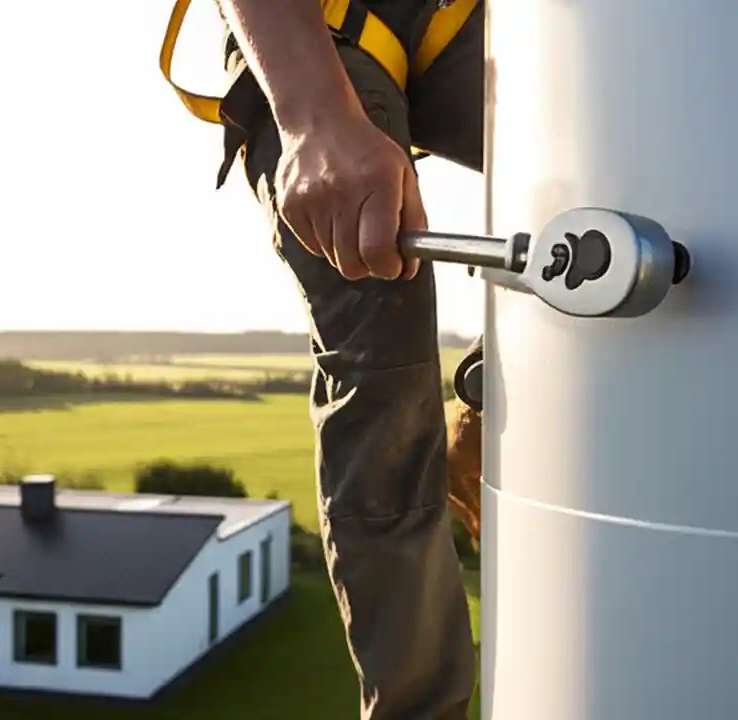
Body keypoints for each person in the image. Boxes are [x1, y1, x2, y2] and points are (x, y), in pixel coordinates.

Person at [184, 1, 486, 717]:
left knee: (675, 177)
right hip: (321, 29)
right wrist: (314, 114)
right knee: (384, 344)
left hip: (478, 20)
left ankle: (480, 407)